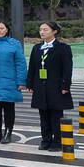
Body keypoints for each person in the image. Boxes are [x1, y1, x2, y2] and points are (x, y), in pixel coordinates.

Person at [25, 20, 73, 152]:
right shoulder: (37, 48)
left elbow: (67, 69)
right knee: (43, 115)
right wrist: (29, 83)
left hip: (56, 86)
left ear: (54, 31)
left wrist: (65, 85)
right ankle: (45, 140)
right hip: (40, 86)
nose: (42, 32)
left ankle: (57, 142)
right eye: (41, 29)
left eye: (45, 29)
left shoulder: (63, 48)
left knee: (56, 115)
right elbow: (33, 67)